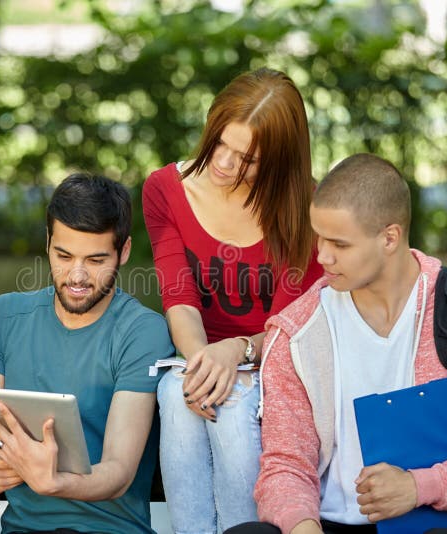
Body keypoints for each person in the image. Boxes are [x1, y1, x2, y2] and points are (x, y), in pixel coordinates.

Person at [241, 153, 447, 534]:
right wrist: (302, 526)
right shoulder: (297, 333)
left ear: (390, 238)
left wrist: (420, 486)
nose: (321, 255)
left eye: (339, 243)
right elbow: (285, 466)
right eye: (318, 236)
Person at [142, 67, 324, 533]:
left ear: (281, 163)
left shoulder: (309, 208)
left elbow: (289, 324)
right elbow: (178, 296)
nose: (223, 163)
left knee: (235, 404)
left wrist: (237, 352)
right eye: (219, 143)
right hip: (199, 352)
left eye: (247, 159)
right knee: (177, 392)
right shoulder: (166, 189)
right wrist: (206, 363)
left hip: (276, 361)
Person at [0, 173, 174, 534]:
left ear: (124, 252)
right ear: (47, 243)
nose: (76, 275)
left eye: (95, 259)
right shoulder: (6, 316)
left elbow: (118, 472)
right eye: (64, 255)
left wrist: (53, 482)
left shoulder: (144, 331)